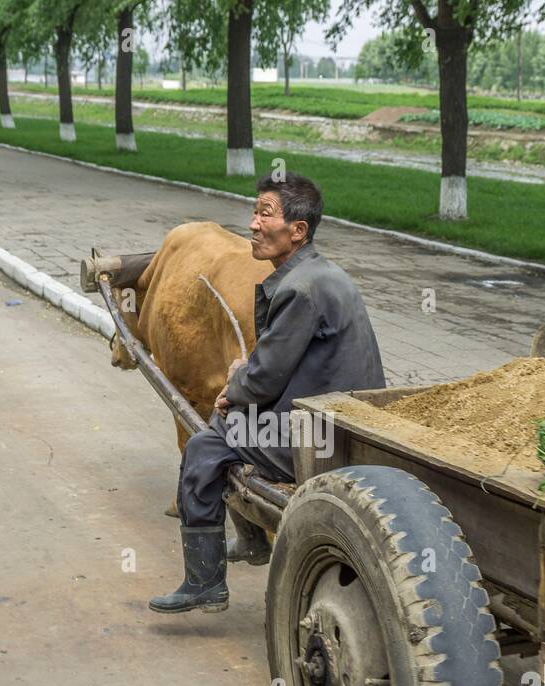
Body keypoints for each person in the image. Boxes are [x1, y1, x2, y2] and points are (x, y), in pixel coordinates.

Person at [148, 174, 386, 614]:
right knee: (226, 428)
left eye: (265, 214)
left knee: (204, 446)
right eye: (254, 212)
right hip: (346, 421)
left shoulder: (298, 289)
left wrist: (233, 389)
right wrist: (245, 383)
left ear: (298, 231)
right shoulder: (324, 274)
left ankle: (205, 582)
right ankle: (250, 537)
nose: (253, 224)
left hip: (317, 436)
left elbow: (264, 378)